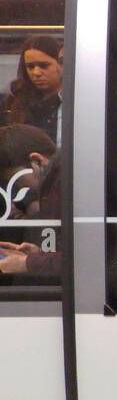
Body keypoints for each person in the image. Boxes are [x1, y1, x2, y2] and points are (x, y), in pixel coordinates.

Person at [0, 123, 60, 279]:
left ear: (37, 162)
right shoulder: (57, 185)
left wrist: (27, 263)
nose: (20, 190)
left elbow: (89, 258)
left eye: (17, 181)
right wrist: (38, 255)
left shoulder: (70, 187)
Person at [3, 36, 63, 142]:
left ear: (61, 65)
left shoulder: (73, 103)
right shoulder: (14, 101)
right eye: (30, 67)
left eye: (44, 66)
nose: (36, 73)